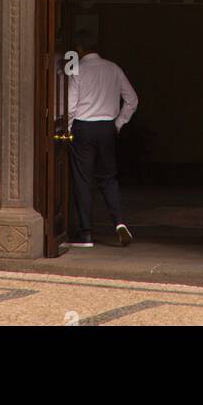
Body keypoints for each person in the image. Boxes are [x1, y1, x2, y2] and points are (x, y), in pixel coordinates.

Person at [67, 34, 137, 248]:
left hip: (83, 127)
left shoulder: (77, 69)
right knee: (108, 177)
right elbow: (132, 99)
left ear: (79, 48)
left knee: (83, 179)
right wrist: (118, 123)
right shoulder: (113, 68)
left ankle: (85, 233)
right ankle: (119, 223)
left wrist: (68, 129)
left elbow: (70, 104)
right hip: (107, 127)